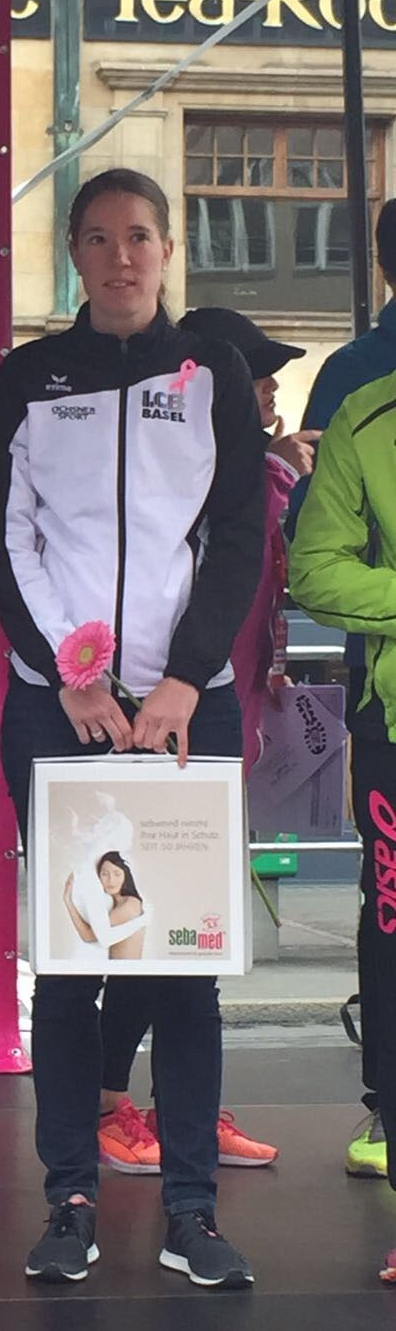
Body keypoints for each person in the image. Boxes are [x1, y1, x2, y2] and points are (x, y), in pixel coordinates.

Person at [0, 167, 262, 1289]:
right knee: (64, 963)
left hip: (187, 708)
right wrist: (70, 674)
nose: (121, 257)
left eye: (140, 236)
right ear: (75, 254)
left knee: (186, 964)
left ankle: (192, 1207)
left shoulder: (214, 373)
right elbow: (7, 542)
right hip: (60, 708)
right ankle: (69, 1201)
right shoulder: (29, 376)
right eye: (97, 239)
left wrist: (185, 679)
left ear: (171, 245)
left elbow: (237, 534)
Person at [97, 306, 308, 1174]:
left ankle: (183, 1104)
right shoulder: (184, 478)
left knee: (196, 938)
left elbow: (261, 598)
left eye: (267, 375)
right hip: (165, 725)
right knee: (156, 923)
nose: (269, 389)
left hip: (228, 721)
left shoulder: (259, 475)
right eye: (254, 373)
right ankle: (108, 1101)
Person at [290, 198, 396, 1181]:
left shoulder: (348, 372)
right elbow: (315, 564)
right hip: (387, 697)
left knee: (386, 900)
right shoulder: (362, 391)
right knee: (391, 902)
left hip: (376, 691)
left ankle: (383, 1108)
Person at [62, 852, 147, 963]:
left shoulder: (129, 905)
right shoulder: (114, 904)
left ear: (125, 876)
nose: (111, 880)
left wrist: (68, 901)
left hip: (128, 976)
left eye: (117, 874)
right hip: (116, 974)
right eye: (105, 874)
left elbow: (88, 936)